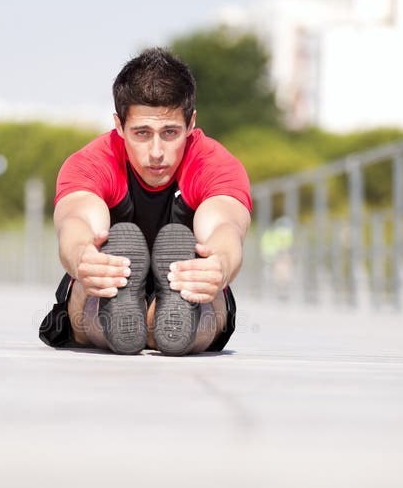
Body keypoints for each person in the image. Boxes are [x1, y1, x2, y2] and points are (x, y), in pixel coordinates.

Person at [39, 47, 252, 355]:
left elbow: (224, 224)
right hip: (114, 277)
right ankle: (136, 319)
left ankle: (155, 321)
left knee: (204, 290)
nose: (156, 152)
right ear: (119, 125)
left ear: (191, 124)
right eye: (141, 133)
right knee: (93, 281)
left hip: (186, 279)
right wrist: (82, 256)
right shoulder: (91, 162)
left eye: (170, 133)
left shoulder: (214, 165)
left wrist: (220, 264)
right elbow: (78, 219)